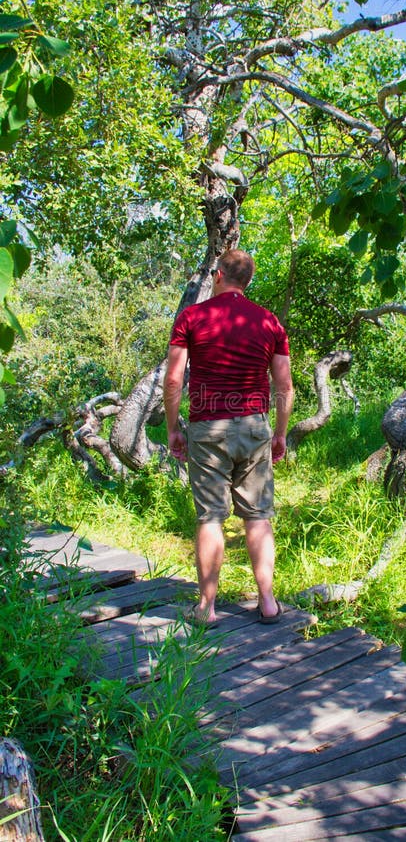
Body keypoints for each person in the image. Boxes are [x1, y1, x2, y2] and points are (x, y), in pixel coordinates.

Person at [163, 249, 294, 625]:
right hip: (254, 426)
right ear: (247, 281)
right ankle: (268, 602)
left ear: (219, 275)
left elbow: (174, 379)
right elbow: (284, 385)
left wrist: (174, 428)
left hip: (208, 426)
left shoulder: (191, 317)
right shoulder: (269, 322)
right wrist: (280, 433)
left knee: (210, 517)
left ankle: (206, 607)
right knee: (258, 516)